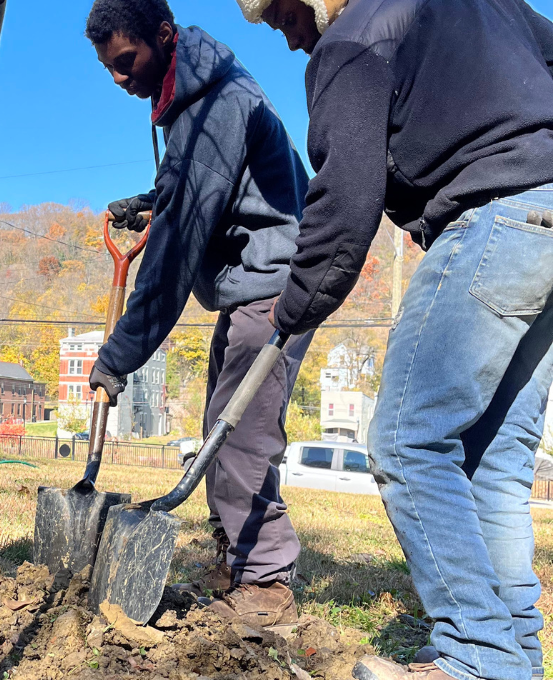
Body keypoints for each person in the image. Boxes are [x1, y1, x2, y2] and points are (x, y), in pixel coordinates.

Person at [236, 0, 553, 678]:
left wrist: (292, 310)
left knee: (408, 441)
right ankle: (515, 656)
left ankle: (475, 653)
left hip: (490, 220)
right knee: (493, 460)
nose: (291, 40)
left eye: (286, 17)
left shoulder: (351, 41)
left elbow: (344, 201)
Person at [83, 0, 314, 632]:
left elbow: (176, 251)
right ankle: (238, 561)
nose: (119, 78)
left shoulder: (215, 106)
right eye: (108, 68)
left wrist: (119, 356)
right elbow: (194, 185)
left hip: (274, 286)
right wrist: (150, 199)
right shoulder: (196, 94)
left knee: (238, 433)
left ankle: (266, 583)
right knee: (222, 425)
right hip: (250, 283)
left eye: (125, 62)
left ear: (163, 37)